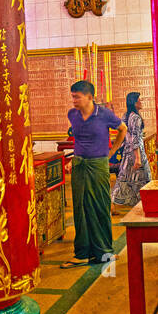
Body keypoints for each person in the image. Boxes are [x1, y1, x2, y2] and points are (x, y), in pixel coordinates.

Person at [64, 80, 119, 269]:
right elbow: (77, 140)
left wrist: (110, 153)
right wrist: (73, 159)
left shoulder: (104, 114)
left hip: (98, 165)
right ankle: (82, 254)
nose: (74, 101)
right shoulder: (73, 115)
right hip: (79, 164)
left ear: (89, 96)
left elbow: (122, 130)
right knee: (80, 208)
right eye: (72, 97)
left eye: (76, 97)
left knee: (100, 206)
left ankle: (104, 252)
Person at [111, 91, 150, 211]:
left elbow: (125, 137)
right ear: (134, 102)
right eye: (139, 99)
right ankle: (147, 203)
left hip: (128, 153)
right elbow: (135, 138)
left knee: (125, 179)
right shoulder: (136, 118)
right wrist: (138, 157)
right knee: (144, 179)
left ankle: (113, 203)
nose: (141, 102)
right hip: (136, 152)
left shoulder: (126, 116)